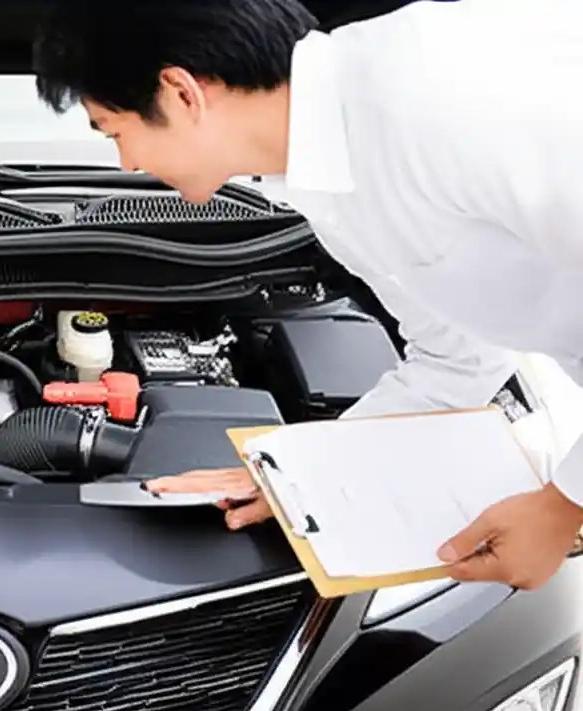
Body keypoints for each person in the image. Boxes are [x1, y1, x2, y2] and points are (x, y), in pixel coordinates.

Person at [32, 0, 583, 590]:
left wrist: (561, 506)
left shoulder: (442, 91)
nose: (128, 163)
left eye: (116, 132)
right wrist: (296, 476)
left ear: (181, 92)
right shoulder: (330, 184)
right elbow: (459, 359)